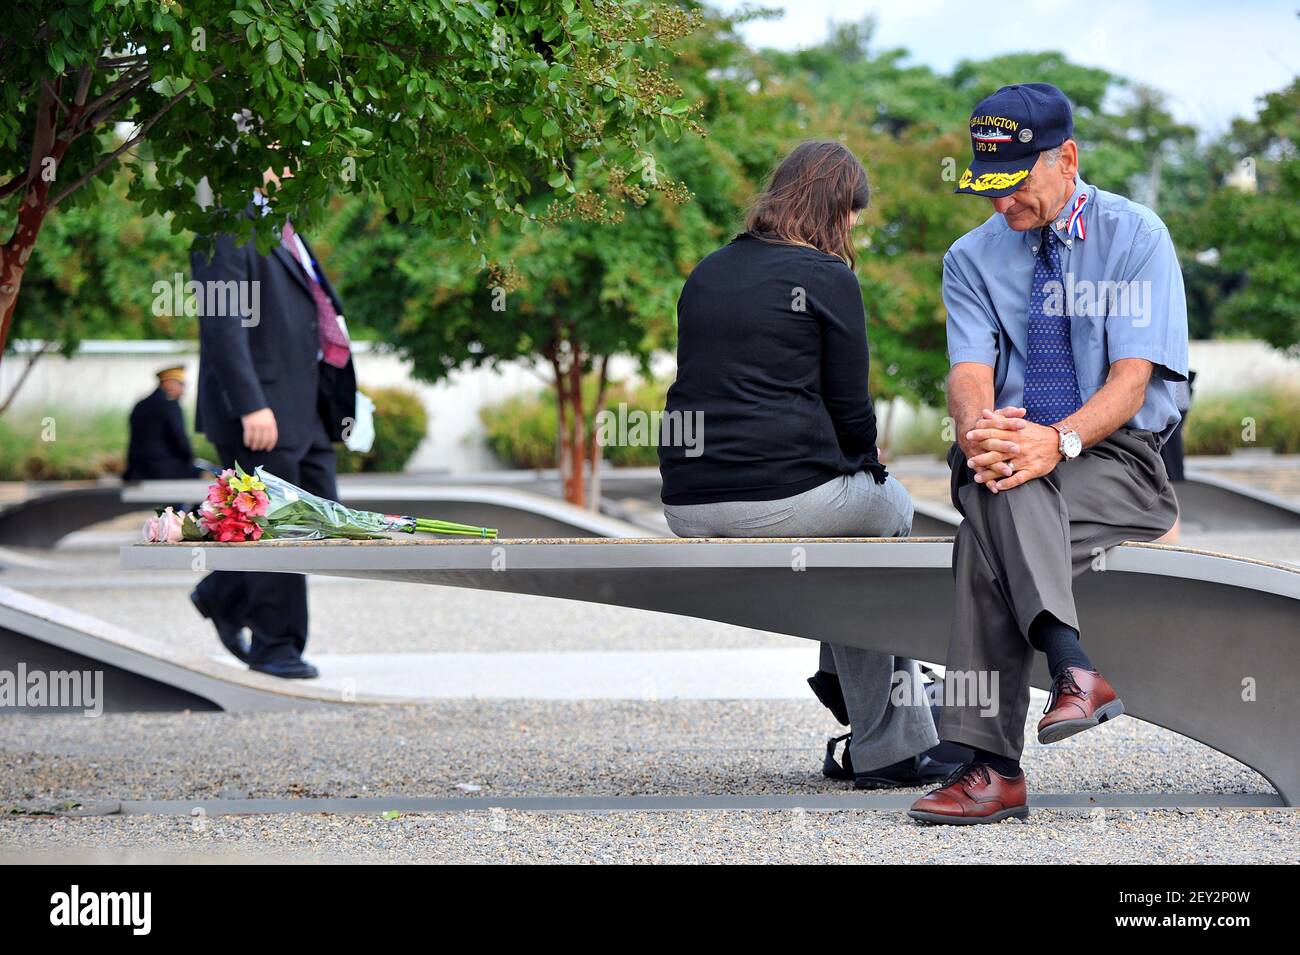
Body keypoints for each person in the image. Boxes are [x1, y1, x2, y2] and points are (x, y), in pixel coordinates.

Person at [908, 84, 1187, 825]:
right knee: (993, 473)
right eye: (988, 189)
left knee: (987, 515)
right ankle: (1072, 669)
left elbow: (1132, 381)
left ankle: (993, 768)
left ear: (1066, 158)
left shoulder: (1136, 237)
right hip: (1011, 452)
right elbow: (969, 374)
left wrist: (1055, 440)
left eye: (1017, 185)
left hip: (1116, 460)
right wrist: (978, 427)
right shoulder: (969, 258)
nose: (1002, 206)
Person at [658, 141, 961, 790]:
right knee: (893, 510)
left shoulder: (708, 270)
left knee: (855, 549)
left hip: (686, 499)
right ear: (832, 209)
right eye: (853, 212)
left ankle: (844, 676)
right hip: (777, 497)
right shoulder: (829, 279)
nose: (855, 227)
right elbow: (852, 410)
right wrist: (867, 463)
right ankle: (886, 739)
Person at [188, 164, 357, 680]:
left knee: (313, 521)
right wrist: (250, 404)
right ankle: (275, 646)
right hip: (261, 410)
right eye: (281, 152)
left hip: (305, 408)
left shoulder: (284, 224)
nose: (294, 165)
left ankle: (221, 592)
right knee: (273, 524)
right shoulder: (225, 224)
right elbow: (222, 324)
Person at [123, 366, 198, 481]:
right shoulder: (170, 405)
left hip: (138, 469)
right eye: (181, 384)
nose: (183, 390)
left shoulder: (140, 405)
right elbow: (179, 439)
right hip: (163, 469)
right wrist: (189, 458)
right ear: (169, 383)